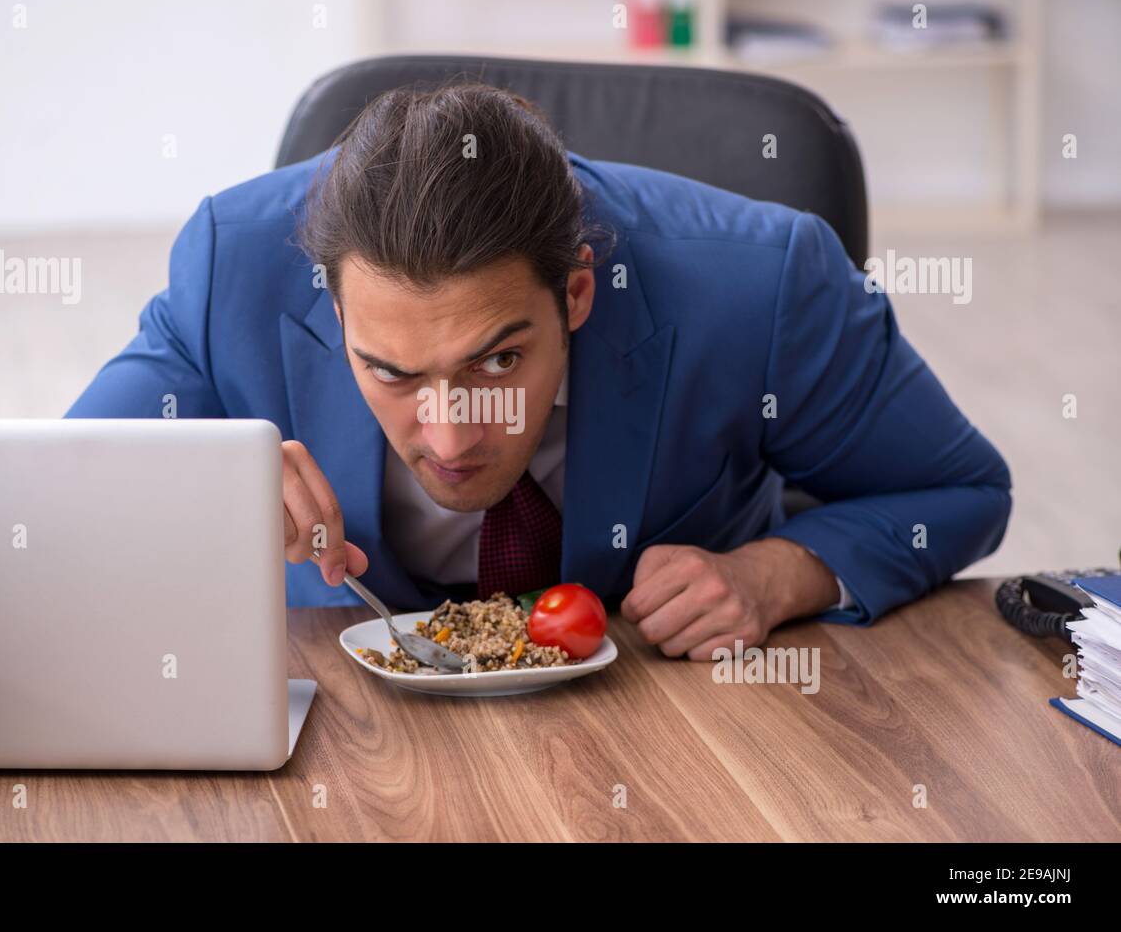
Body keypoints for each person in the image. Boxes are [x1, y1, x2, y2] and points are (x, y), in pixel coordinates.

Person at [67, 82, 1011, 659]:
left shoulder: (764, 283)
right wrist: (199, 489)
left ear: (578, 291)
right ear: (331, 306)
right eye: (390, 371)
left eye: (499, 359)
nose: (447, 439)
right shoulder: (231, 266)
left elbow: (957, 488)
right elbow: (51, 497)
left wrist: (775, 575)